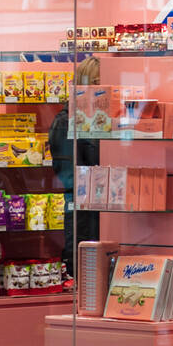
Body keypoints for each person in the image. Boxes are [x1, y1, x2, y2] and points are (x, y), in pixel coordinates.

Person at [48, 56, 100, 278]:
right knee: (85, 275)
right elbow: (72, 177)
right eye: (100, 86)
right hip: (84, 213)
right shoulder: (66, 122)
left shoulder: (97, 119)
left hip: (101, 209)